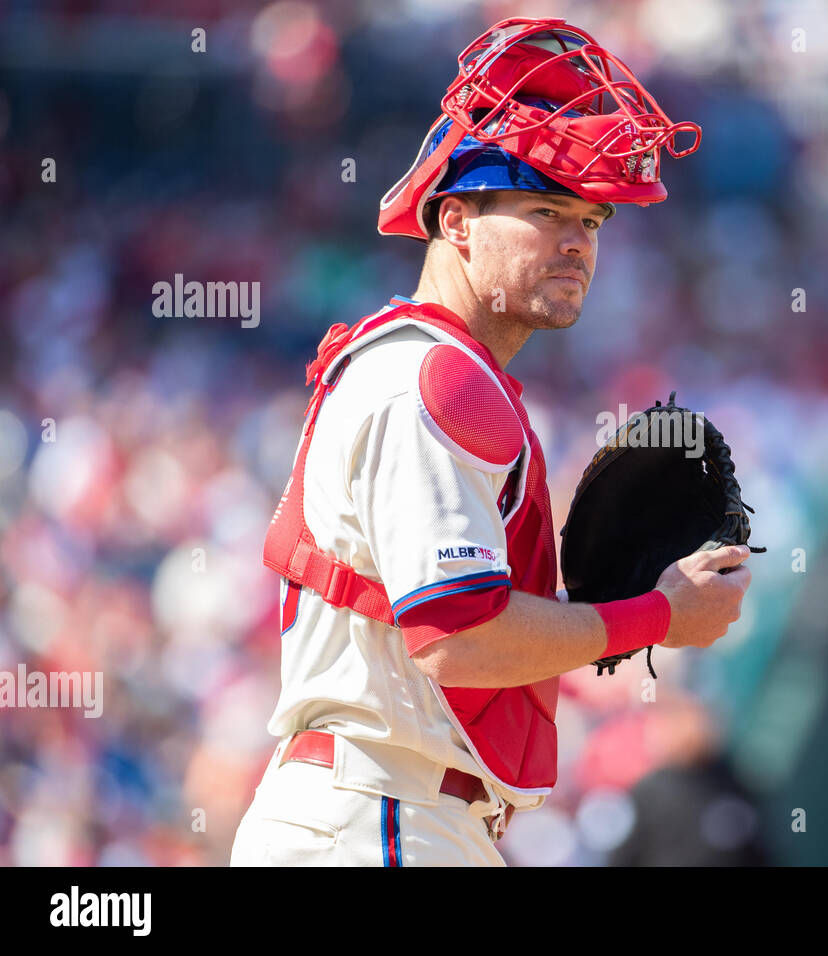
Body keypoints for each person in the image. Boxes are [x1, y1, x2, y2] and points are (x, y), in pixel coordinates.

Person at [230, 16, 752, 867]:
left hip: (390, 816)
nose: (578, 242)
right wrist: (656, 615)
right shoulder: (437, 376)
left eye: (591, 221)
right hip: (379, 816)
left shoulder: (442, 368)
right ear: (458, 221)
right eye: (547, 210)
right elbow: (457, 636)